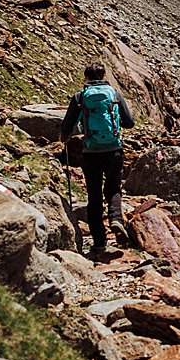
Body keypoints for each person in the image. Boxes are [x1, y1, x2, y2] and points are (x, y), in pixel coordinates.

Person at [61, 64, 136, 250]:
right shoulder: (115, 94)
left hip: (91, 152)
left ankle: (99, 241)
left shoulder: (80, 97)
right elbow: (129, 123)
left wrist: (64, 137)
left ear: (86, 77)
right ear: (103, 75)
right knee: (113, 190)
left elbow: (68, 124)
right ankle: (116, 219)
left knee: (93, 195)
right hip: (114, 151)